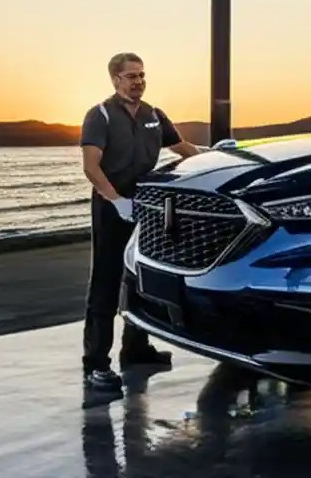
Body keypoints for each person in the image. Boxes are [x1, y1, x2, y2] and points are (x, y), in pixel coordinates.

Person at [79, 52, 203, 393]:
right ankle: (95, 366)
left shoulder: (153, 115)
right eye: (131, 76)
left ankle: (136, 349)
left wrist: (216, 157)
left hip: (145, 207)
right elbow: (91, 166)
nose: (139, 81)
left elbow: (181, 147)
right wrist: (116, 200)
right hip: (111, 206)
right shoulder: (100, 116)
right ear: (115, 80)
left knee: (140, 278)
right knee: (105, 284)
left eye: (142, 75)